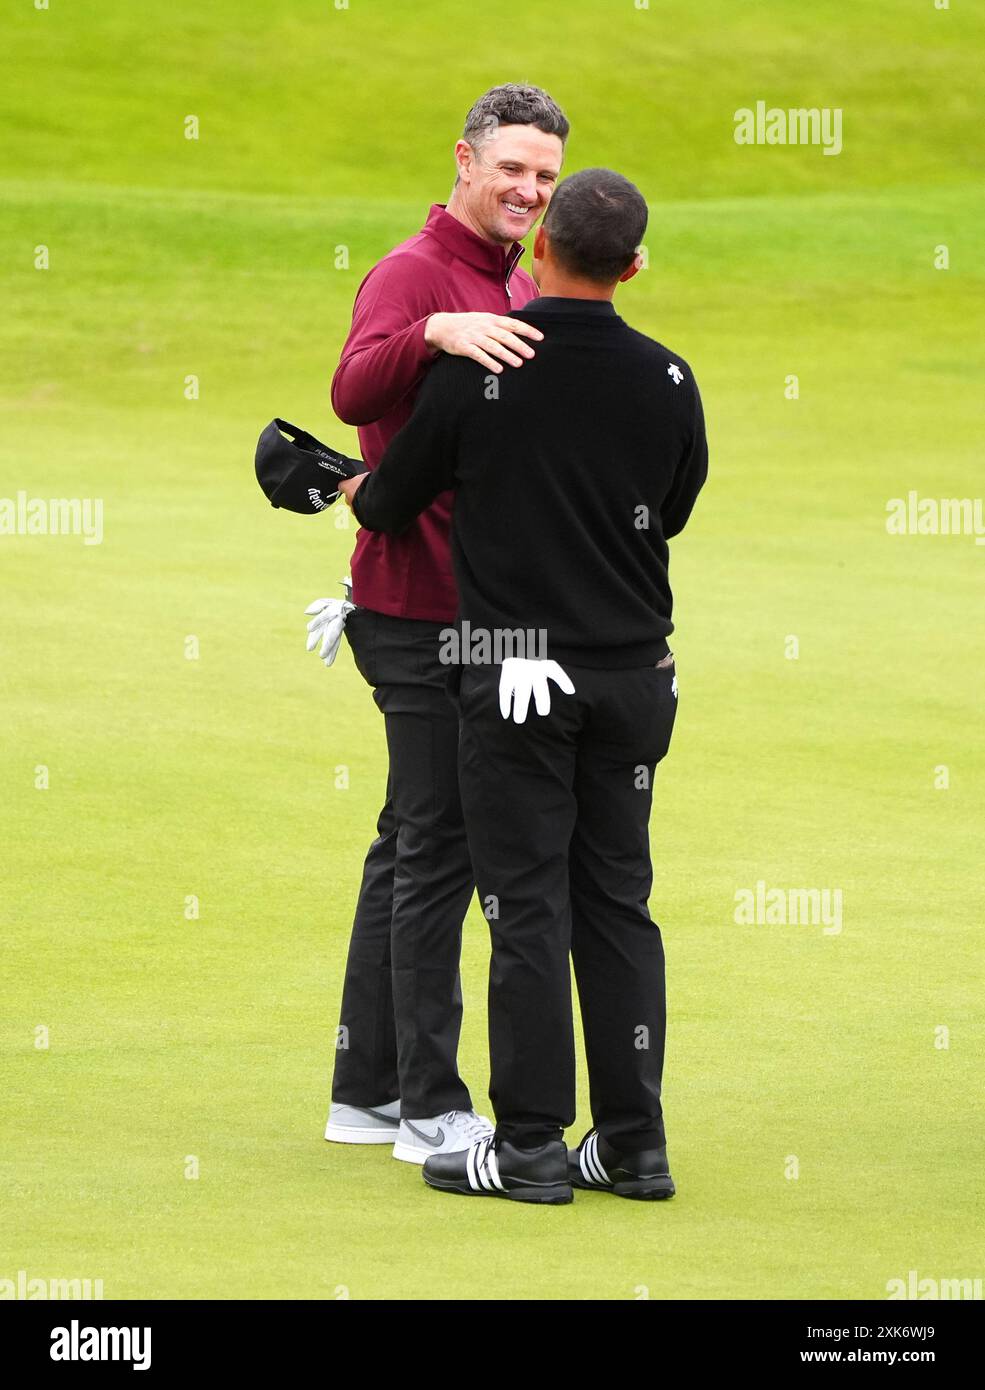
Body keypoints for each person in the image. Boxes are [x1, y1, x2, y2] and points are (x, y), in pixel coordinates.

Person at [339, 168, 709, 1203]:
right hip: (635, 679)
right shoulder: (670, 379)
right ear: (635, 266)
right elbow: (669, 509)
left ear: (538, 245)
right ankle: (633, 1142)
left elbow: (389, 505)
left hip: (514, 680)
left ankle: (533, 1142)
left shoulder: (484, 365)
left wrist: (340, 481)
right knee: (619, 905)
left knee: (524, 906)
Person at [316, 85, 570, 1164]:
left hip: (469, 606)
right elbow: (348, 390)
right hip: (417, 609)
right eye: (511, 167)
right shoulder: (416, 274)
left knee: (409, 845)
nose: (527, 189)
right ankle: (428, 1106)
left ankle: (363, 1088)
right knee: (439, 848)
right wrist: (432, 331)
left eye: (545, 177)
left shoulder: (514, 276)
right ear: (464, 159)